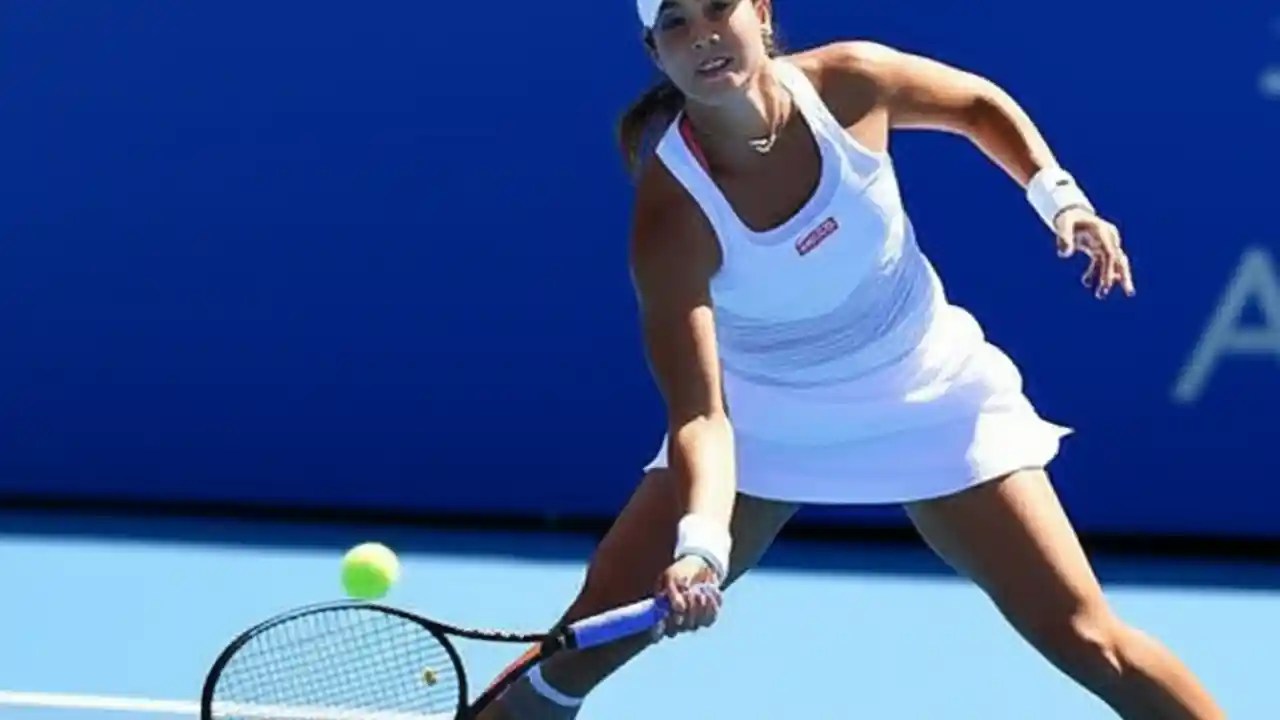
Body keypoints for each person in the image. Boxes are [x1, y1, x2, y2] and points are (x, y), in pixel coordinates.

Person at [478, 0, 1223, 717]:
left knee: (1092, 640)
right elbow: (702, 414)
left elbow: (975, 105)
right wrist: (701, 547)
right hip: (763, 422)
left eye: (718, 8)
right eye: (675, 23)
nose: (702, 35)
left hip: (926, 390)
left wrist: (1061, 200)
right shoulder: (672, 214)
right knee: (567, 661)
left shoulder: (852, 82)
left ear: (761, 14)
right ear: (656, 53)